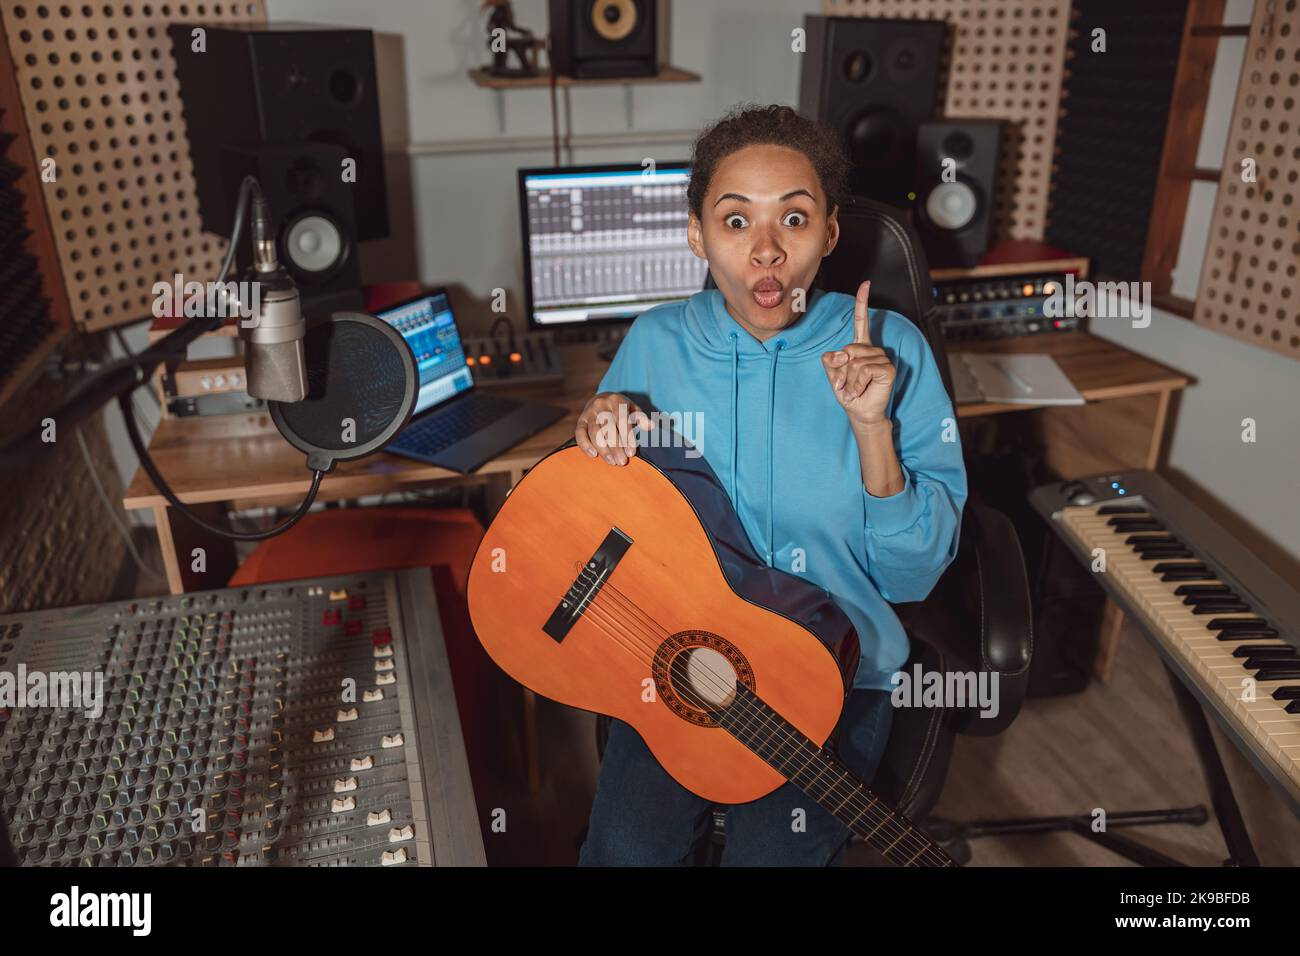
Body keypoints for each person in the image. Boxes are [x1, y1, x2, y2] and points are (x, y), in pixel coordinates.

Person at [574, 104, 968, 866]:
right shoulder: (656, 341)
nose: (765, 253)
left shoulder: (893, 351)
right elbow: (599, 518)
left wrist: (871, 429)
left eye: (793, 219)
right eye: (734, 222)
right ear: (697, 237)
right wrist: (598, 430)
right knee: (624, 853)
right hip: (681, 654)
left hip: (836, 667)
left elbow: (913, 576)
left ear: (828, 234)